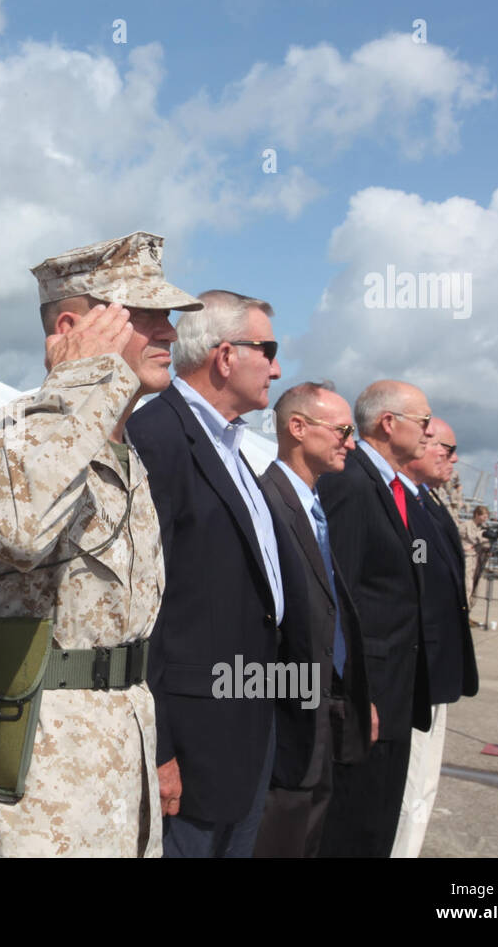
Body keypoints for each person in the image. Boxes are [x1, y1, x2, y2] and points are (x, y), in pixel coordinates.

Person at [0, 230, 199, 857]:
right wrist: (83, 380)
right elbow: (20, 532)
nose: (168, 332)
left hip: (115, 755)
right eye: (143, 316)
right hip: (38, 778)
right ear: (74, 325)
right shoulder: (22, 429)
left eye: (169, 318)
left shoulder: (125, 451)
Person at [128, 288, 302, 858]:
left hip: (246, 729)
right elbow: (144, 606)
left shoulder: (233, 445)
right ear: (225, 357)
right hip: (192, 746)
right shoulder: (159, 437)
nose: (277, 368)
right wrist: (161, 746)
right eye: (268, 350)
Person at [254, 381, 375, 858]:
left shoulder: (313, 505)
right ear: (298, 428)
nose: (350, 440)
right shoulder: (267, 501)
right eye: (342, 430)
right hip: (285, 715)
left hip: (326, 707)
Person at [316, 380, 435, 857]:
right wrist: (351, 694)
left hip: (395, 692)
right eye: (423, 422)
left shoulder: (388, 486)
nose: (429, 434)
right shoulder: (350, 482)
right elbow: (338, 597)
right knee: (351, 829)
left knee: (378, 826)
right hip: (367, 699)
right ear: (390, 423)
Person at [392, 417, 478, 857]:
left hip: (437, 671)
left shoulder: (427, 500)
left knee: (423, 787)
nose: (454, 458)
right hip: (413, 674)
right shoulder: (396, 500)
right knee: (406, 793)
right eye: (446, 448)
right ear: (422, 445)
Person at [458, 504, 489, 601]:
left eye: (486, 516)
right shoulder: (465, 525)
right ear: (476, 514)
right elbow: (456, 540)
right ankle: (464, 611)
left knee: (476, 587)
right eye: (483, 516)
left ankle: (469, 608)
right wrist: (464, 548)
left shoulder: (485, 528)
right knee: (468, 585)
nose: (485, 519)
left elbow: (487, 543)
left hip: (480, 558)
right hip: (468, 557)